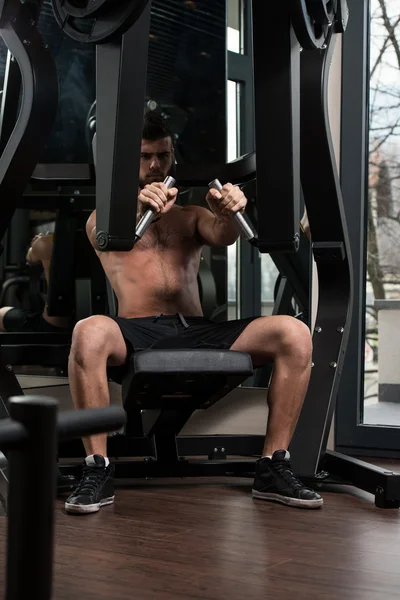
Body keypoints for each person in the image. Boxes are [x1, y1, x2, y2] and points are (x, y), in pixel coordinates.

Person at [65, 110, 322, 514]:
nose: (154, 165)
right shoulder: (106, 217)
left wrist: (231, 208)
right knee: (88, 331)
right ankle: (98, 468)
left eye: (163, 156)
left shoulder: (190, 217)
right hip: (136, 331)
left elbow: (223, 234)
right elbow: (105, 235)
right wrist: (138, 204)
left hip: (198, 329)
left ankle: (273, 465)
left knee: (294, 332)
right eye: (145, 156)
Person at [0, 233, 71, 333]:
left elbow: (30, 258)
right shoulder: (94, 240)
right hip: (82, 318)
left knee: (1, 314)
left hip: (54, 325)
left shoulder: (45, 242)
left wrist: (36, 244)